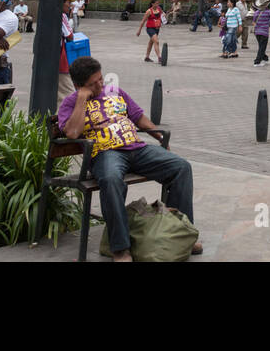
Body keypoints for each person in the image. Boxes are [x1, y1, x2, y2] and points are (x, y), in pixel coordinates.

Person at [59, 57, 201, 261]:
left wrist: (159, 137)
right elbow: (72, 133)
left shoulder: (114, 92)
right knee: (110, 179)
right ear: (78, 85)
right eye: (93, 83)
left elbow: (138, 117)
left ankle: (181, 233)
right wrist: (82, 98)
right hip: (106, 154)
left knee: (181, 167)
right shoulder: (71, 103)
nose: (100, 85)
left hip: (137, 149)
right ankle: (120, 248)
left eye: (101, 79)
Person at [252, 0, 270, 66]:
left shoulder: (256, 12)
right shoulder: (268, 12)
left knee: (261, 46)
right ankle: (257, 61)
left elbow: (253, 22)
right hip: (264, 32)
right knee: (262, 47)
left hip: (257, 32)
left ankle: (265, 58)